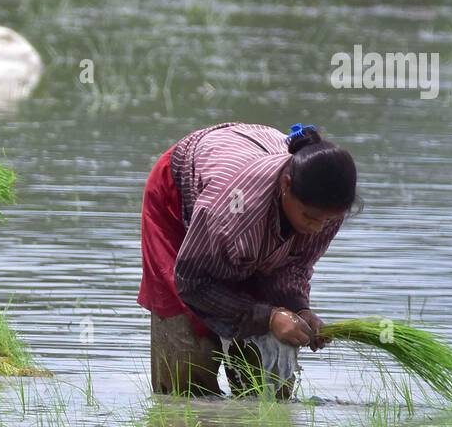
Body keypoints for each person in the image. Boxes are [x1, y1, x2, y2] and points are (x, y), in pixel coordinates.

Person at [138, 122, 360, 397]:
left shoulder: (323, 212)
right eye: (310, 218)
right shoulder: (234, 209)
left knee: (270, 374)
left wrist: (299, 309)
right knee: (189, 367)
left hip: (243, 204)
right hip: (180, 197)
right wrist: (268, 316)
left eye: (327, 221)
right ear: (286, 185)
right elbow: (193, 283)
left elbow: (295, 265)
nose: (317, 228)